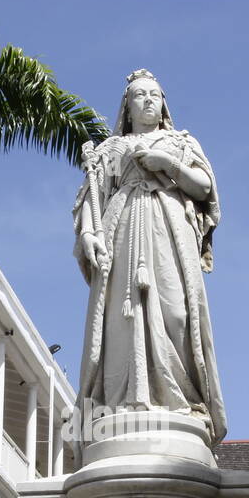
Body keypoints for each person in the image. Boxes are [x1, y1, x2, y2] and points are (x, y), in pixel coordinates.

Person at [73, 69, 227, 450]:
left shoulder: (181, 142)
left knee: (176, 313)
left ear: (164, 104)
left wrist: (166, 164)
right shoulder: (110, 150)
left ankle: (184, 401)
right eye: (139, 95)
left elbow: (205, 187)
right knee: (121, 320)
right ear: (127, 106)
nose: (148, 101)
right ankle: (123, 400)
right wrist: (90, 233)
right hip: (121, 228)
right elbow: (90, 201)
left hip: (169, 230)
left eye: (155, 95)